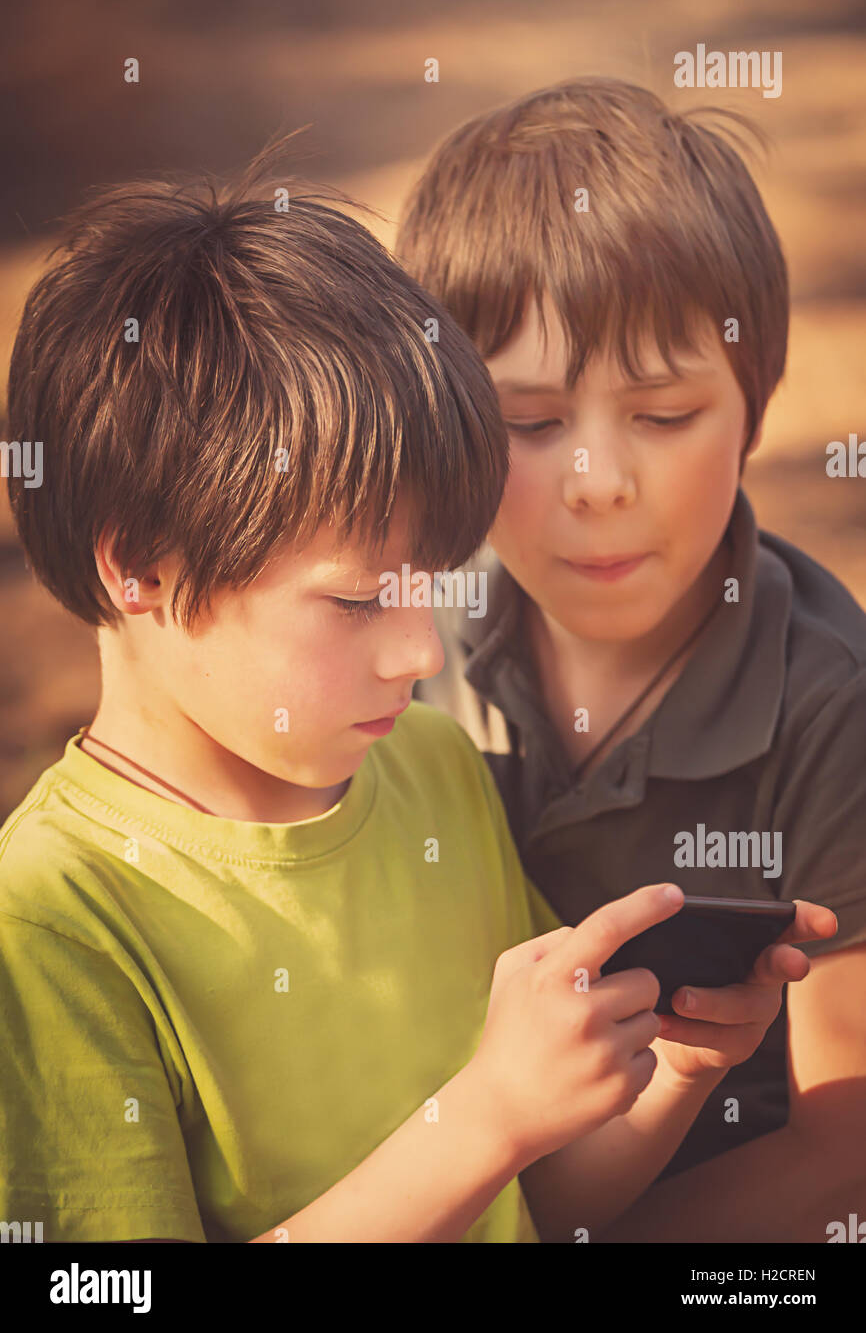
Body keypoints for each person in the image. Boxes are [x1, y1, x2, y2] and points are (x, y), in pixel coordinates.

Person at [0, 136, 830, 1245]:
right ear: (138, 564)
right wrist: (480, 1117)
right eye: (353, 604)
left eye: (425, 588)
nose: (412, 650)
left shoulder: (431, 770)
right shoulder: (53, 922)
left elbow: (530, 1204)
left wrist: (669, 1067)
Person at [397, 77, 865, 1242]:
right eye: (529, 422)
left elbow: (844, 1147)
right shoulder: (406, 653)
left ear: (752, 413)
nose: (597, 481)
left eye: (660, 416)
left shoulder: (829, 703)